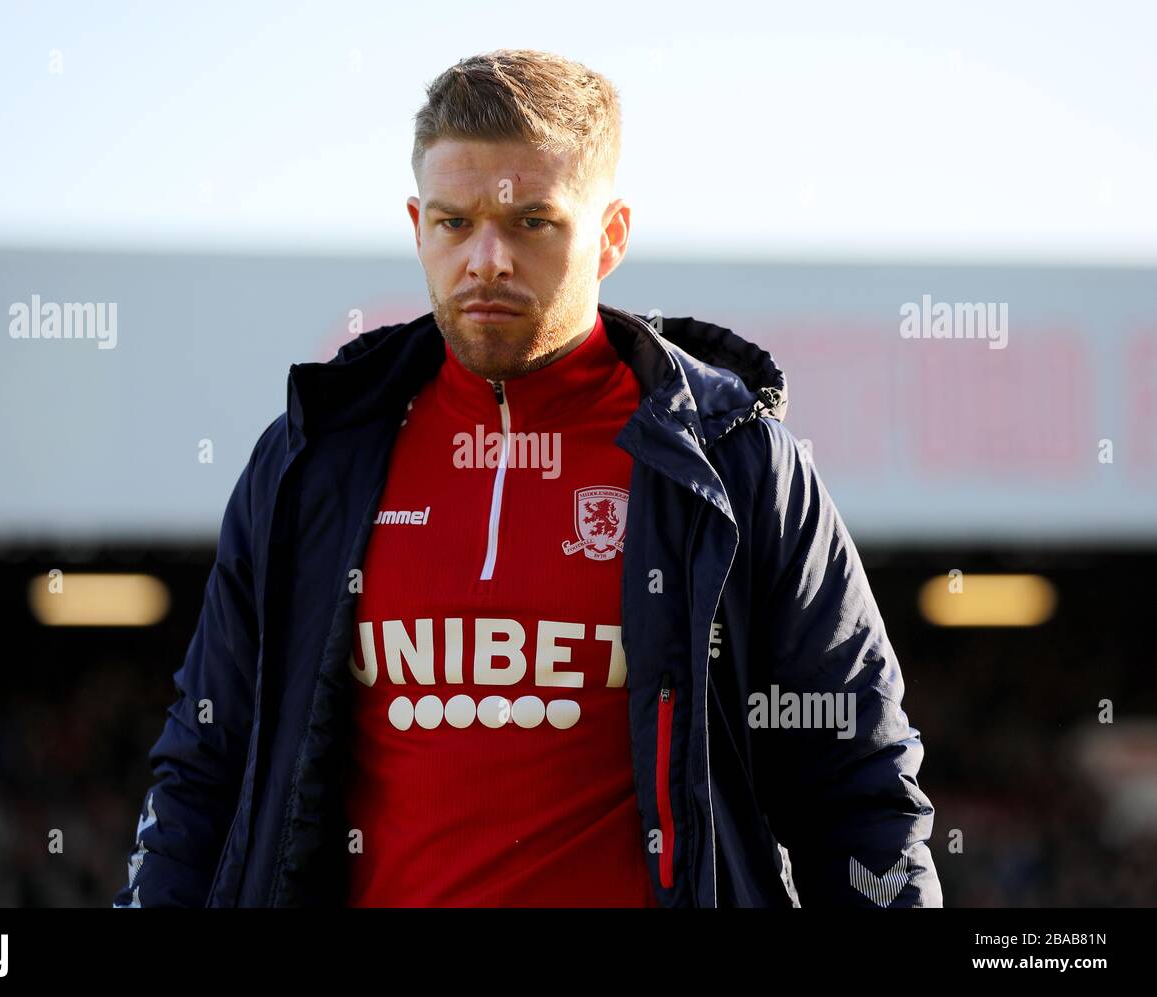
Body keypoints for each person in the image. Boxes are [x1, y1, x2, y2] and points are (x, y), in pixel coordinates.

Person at [113, 48, 941, 908]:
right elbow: (203, 771)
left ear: (611, 235)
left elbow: (858, 783)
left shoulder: (735, 464)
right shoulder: (310, 461)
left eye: (532, 222)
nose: (486, 259)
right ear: (416, 225)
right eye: (454, 222)